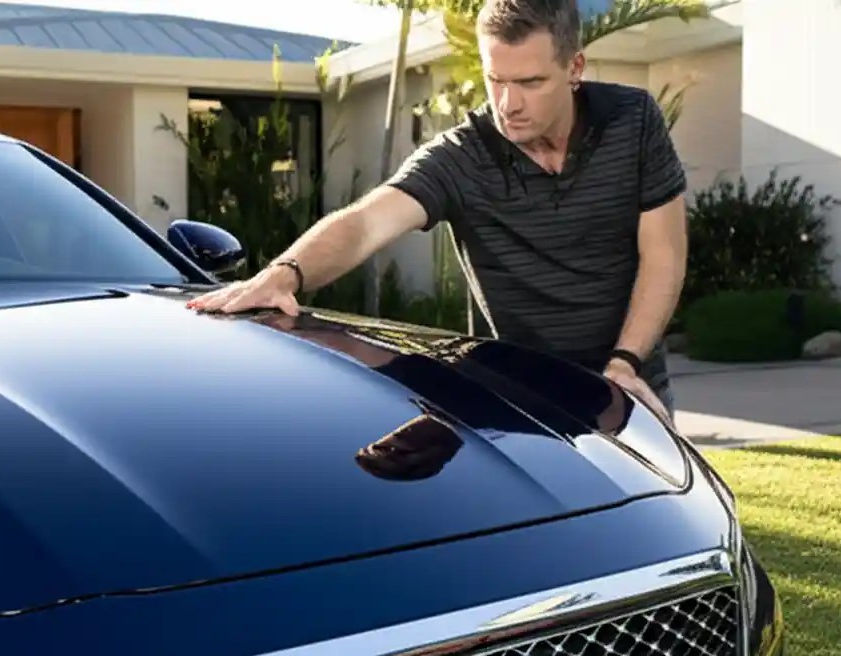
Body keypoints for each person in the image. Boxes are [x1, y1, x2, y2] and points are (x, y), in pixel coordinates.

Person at [186, 0, 688, 424]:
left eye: (530, 82)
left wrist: (624, 363)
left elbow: (663, 254)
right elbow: (366, 223)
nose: (508, 103)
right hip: (530, 396)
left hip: (633, 380)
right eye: (496, 80)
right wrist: (286, 273)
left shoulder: (633, 120)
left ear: (574, 69)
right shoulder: (462, 157)